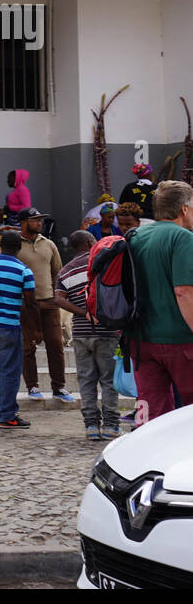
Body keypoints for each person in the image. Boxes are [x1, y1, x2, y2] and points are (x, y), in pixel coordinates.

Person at [127, 180, 193, 423]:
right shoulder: (183, 238)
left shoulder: (135, 235)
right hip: (180, 340)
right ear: (184, 208)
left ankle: (147, 457)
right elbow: (184, 292)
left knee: (151, 409)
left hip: (140, 339)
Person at [53, 230, 120, 441]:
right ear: (92, 242)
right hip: (107, 331)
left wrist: (84, 314)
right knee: (109, 380)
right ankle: (111, 425)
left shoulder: (66, 271)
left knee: (86, 380)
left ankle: (91, 425)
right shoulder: (105, 263)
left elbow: (58, 299)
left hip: (81, 333)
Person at [0, 232, 38, 429]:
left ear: (0, 246)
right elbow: (31, 303)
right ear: (19, 247)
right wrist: (35, 330)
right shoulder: (23, 270)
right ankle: (7, 415)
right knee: (9, 371)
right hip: (9, 327)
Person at [15, 207, 73, 402]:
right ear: (23, 222)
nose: (39, 223)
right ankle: (32, 386)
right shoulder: (15, 245)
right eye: (34, 220)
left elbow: (58, 271)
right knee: (28, 346)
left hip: (49, 302)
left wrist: (55, 295)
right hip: (25, 304)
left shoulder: (49, 244)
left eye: (40, 220)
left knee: (56, 345)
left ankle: (59, 387)